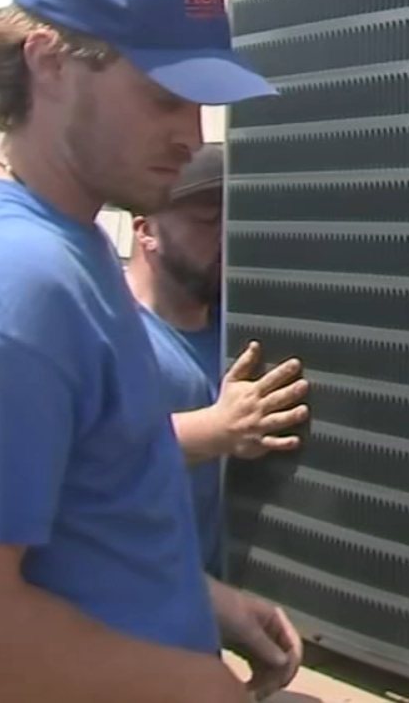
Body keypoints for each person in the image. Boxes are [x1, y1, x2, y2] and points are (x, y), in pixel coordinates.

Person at [0, 0, 302, 702]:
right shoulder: (10, 285)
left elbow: (84, 518)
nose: (191, 135)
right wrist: (199, 689)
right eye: (165, 96)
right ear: (49, 62)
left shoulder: (73, 247)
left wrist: (205, 603)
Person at [127, 141, 311, 579]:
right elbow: (90, 455)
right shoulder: (112, 331)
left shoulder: (237, 332)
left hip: (216, 603)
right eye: (210, 219)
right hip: (127, 607)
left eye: (236, 219)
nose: (227, 236)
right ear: (146, 229)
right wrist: (217, 429)